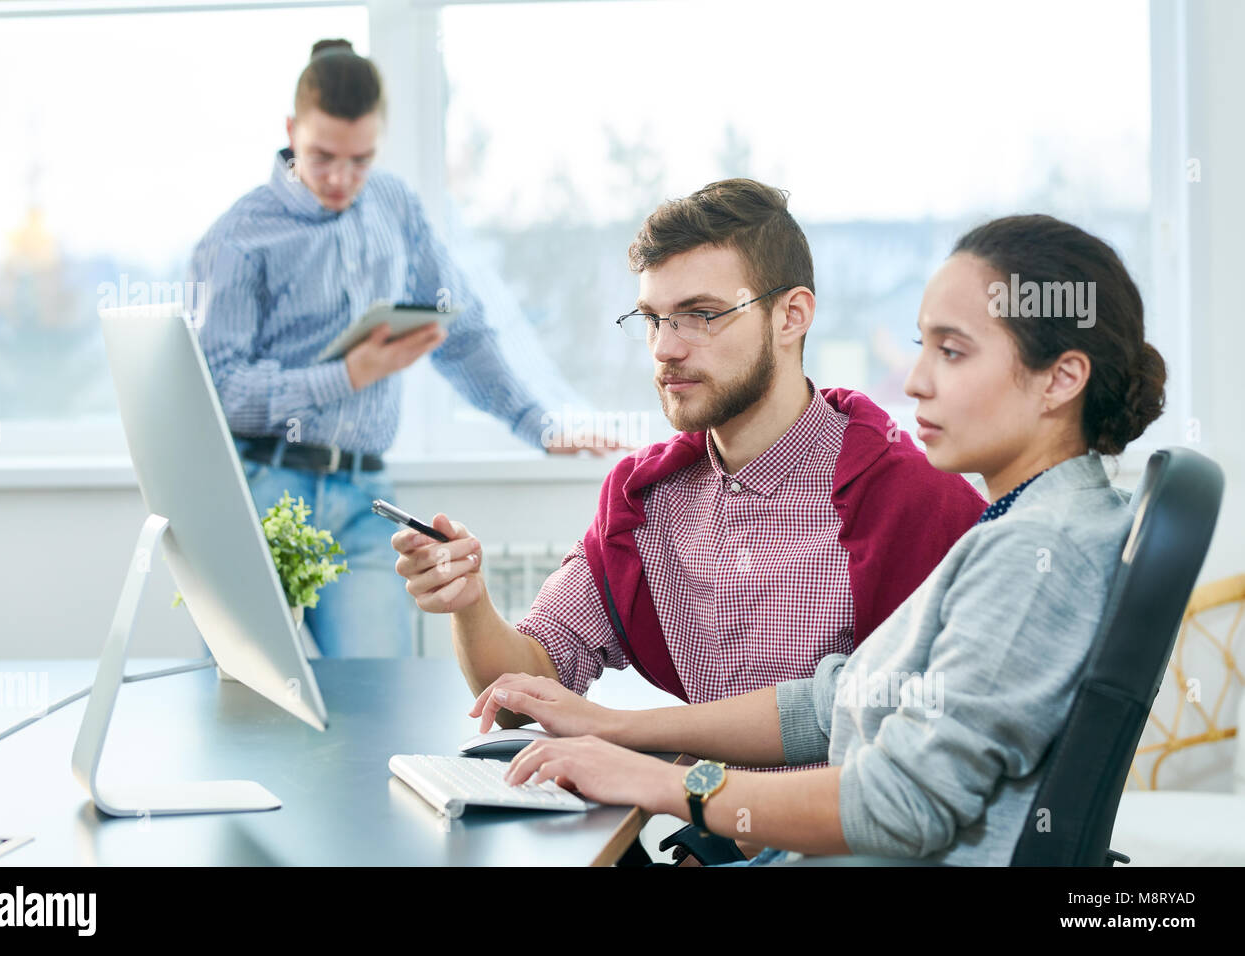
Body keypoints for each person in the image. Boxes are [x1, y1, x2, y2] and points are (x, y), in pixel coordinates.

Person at [469, 214, 1168, 866]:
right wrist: (624, 732)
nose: (917, 381)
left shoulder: (1035, 555)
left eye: (951, 352)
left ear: (1062, 379)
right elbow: (835, 702)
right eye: (922, 345)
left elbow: (902, 803)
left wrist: (661, 783)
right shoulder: (1033, 523)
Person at [392, 178, 988, 733]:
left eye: (701, 316)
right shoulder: (644, 499)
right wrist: (470, 604)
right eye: (653, 320)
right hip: (708, 823)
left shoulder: (916, 496)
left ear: (792, 314)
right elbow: (525, 691)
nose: (666, 349)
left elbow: (927, 756)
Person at [188, 39, 608, 658]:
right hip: (259, 495)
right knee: (245, 705)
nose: (341, 178)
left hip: (363, 500)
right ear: (289, 132)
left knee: (378, 702)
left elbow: (459, 335)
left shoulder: (394, 207)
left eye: (360, 159)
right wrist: (349, 374)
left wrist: (538, 424)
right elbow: (219, 393)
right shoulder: (238, 236)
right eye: (322, 156)